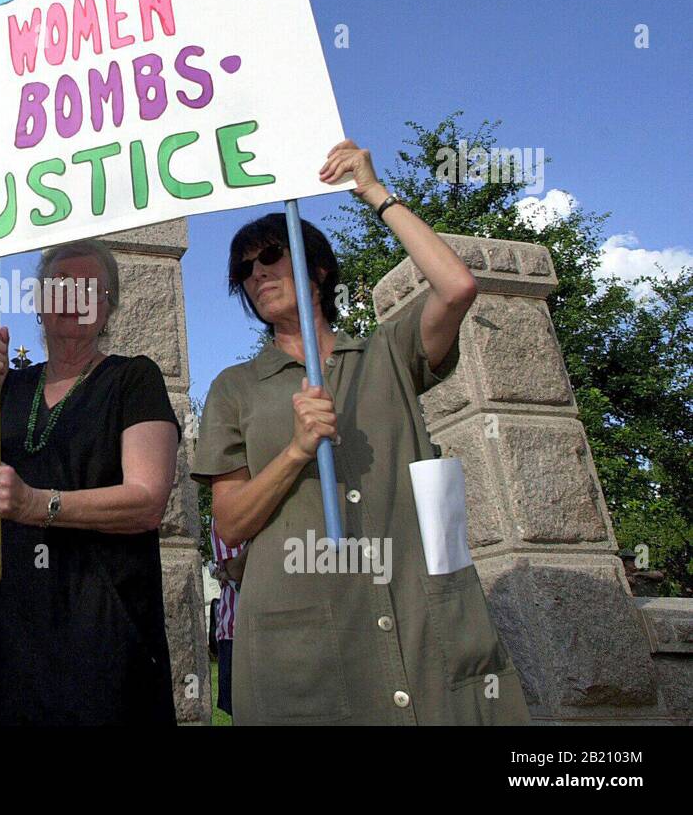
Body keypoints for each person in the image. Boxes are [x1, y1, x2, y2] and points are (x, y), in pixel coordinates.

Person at [192, 139, 530, 725]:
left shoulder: (388, 354)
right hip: (306, 638)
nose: (258, 273)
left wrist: (374, 192)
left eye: (272, 253)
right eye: (244, 269)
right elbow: (232, 521)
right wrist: (296, 452)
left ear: (319, 269)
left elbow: (457, 287)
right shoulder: (235, 387)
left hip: (418, 616)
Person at [0, 239, 181, 724]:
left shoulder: (133, 379)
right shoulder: (9, 387)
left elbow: (146, 501)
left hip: (99, 630)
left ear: (109, 303)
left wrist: (36, 505)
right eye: (60, 286)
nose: (75, 297)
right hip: (6, 632)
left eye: (91, 287)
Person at [208, 518, 246, 718]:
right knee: (243, 712)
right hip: (236, 632)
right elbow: (236, 569)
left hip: (270, 629)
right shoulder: (227, 516)